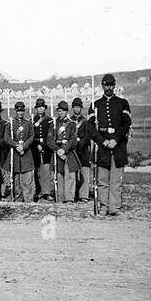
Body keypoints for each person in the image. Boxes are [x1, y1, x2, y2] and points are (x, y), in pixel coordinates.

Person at [86, 73, 131, 216]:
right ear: (102, 86)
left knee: (116, 181)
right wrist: (102, 141)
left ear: (114, 86)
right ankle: (104, 206)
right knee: (102, 180)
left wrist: (115, 139)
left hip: (118, 147)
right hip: (103, 148)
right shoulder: (95, 105)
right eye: (106, 85)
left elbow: (126, 124)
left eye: (111, 85)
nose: (108, 88)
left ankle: (114, 208)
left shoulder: (123, 103)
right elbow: (90, 128)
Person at [52, 100, 80, 204]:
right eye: (59, 110)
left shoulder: (72, 124)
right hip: (57, 152)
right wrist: (57, 150)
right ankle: (61, 197)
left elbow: (73, 139)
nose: (61, 112)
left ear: (67, 111)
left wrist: (64, 150)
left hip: (68, 152)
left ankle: (69, 198)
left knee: (70, 175)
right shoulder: (54, 123)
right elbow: (50, 140)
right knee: (59, 175)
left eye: (63, 110)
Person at [8, 101, 36, 203]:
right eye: (18, 110)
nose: (20, 113)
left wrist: (24, 146)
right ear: (15, 111)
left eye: (22, 111)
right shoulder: (11, 123)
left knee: (27, 179)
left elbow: (31, 136)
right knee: (15, 180)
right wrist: (16, 145)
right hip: (15, 154)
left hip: (26, 154)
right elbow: (7, 137)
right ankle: (17, 198)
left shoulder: (28, 123)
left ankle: (28, 199)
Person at [31, 98, 54, 201]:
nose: (40, 109)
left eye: (42, 107)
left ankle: (46, 192)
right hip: (35, 147)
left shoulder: (49, 120)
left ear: (44, 108)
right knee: (36, 170)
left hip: (46, 148)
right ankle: (37, 191)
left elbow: (50, 136)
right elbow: (31, 135)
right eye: (38, 107)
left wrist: (43, 145)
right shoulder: (32, 120)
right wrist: (37, 145)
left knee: (46, 170)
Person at [70, 97, 91, 201]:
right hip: (72, 150)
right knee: (72, 173)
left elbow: (88, 135)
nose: (77, 109)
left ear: (81, 108)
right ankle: (73, 194)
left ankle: (83, 195)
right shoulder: (69, 121)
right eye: (75, 107)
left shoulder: (85, 121)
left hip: (83, 150)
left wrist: (81, 143)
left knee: (84, 173)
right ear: (72, 108)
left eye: (78, 107)